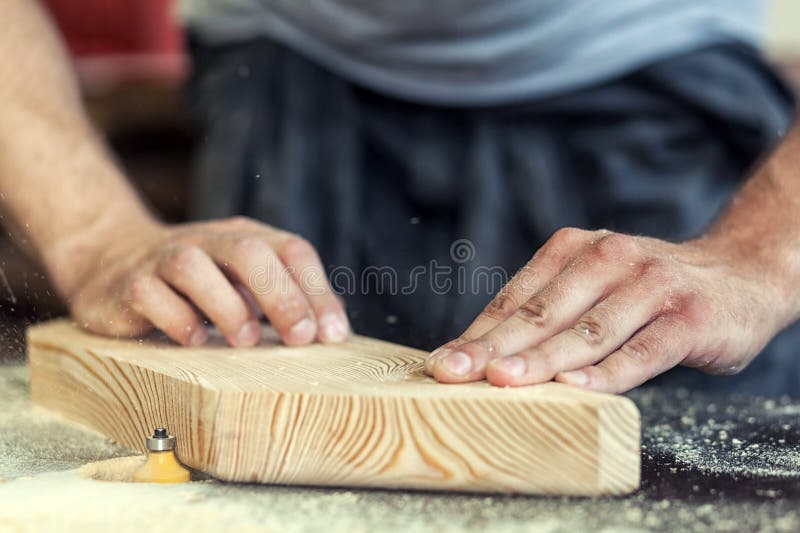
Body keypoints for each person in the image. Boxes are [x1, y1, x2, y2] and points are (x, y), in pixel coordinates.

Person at [2, 0, 799, 396]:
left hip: (646, 75)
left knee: (691, 462)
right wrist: (92, 231)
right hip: (294, 74)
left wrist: (765, 251)